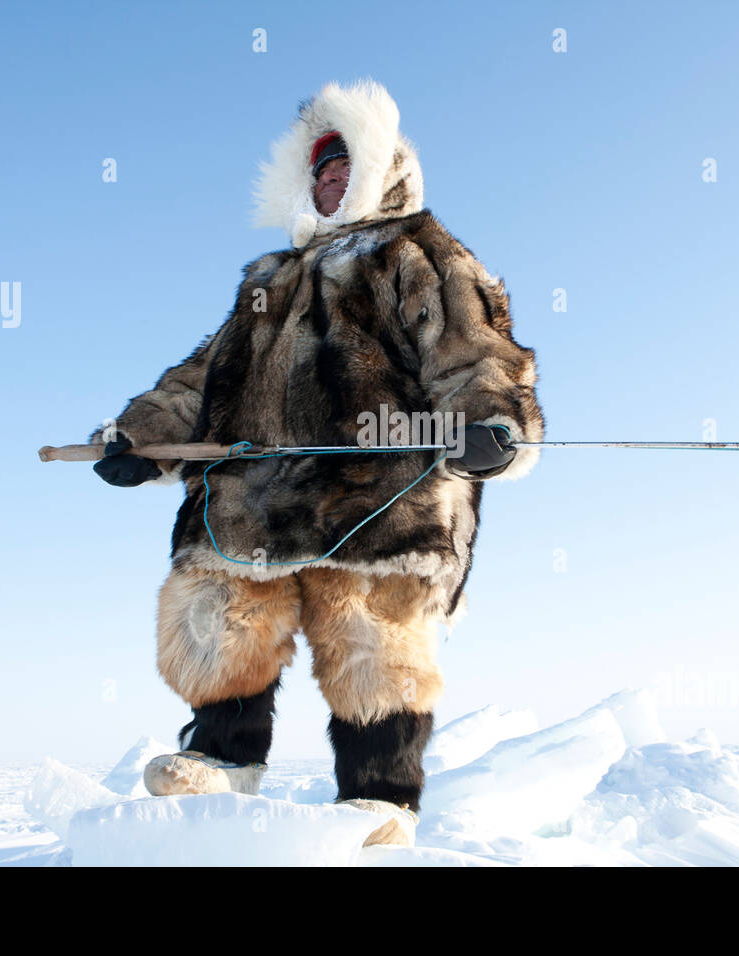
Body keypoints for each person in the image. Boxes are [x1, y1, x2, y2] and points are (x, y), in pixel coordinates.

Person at [89, 78, 544, 846]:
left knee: (372, 633)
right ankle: (224, 761)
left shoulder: (418, 253)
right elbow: (205, 377)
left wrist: (490, 422)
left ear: (380, 171)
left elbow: (475, 352)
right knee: (223, 612)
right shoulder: (270, 279)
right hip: (254, 496)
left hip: (381, 493)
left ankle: (380, 798)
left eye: (345, 169)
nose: (331, 181)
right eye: (321, 173)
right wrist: (141, 437)